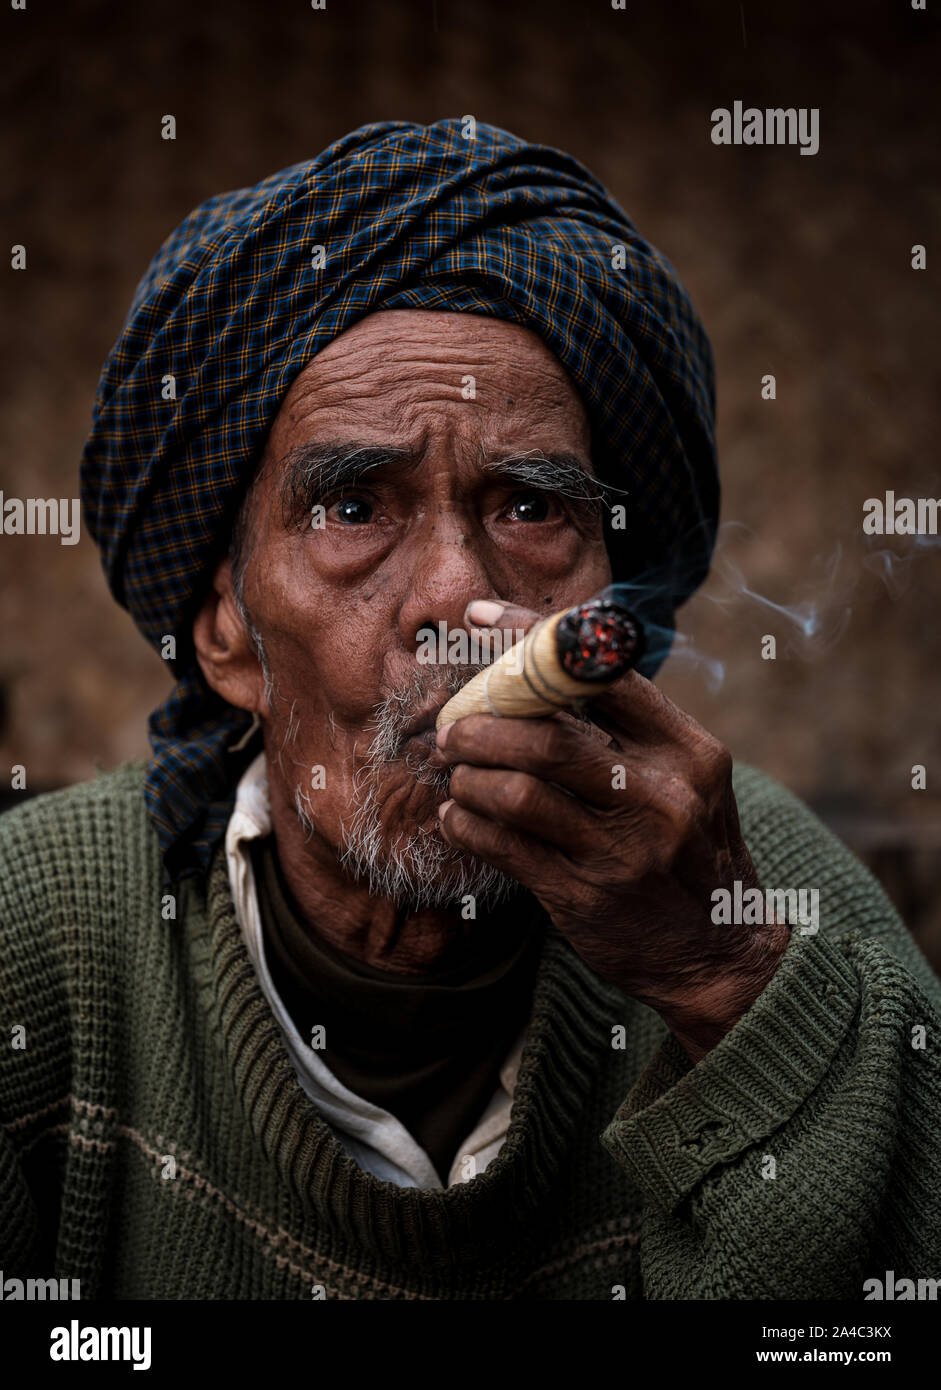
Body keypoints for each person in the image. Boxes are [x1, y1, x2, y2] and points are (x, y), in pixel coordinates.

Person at [2, 119, 939, 1300]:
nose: (456, 597)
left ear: (612, 598)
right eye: (353, 507)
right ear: (226, 631)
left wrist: (724, 985)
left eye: (530, 509)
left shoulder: (761, 900)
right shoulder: (36, 939)